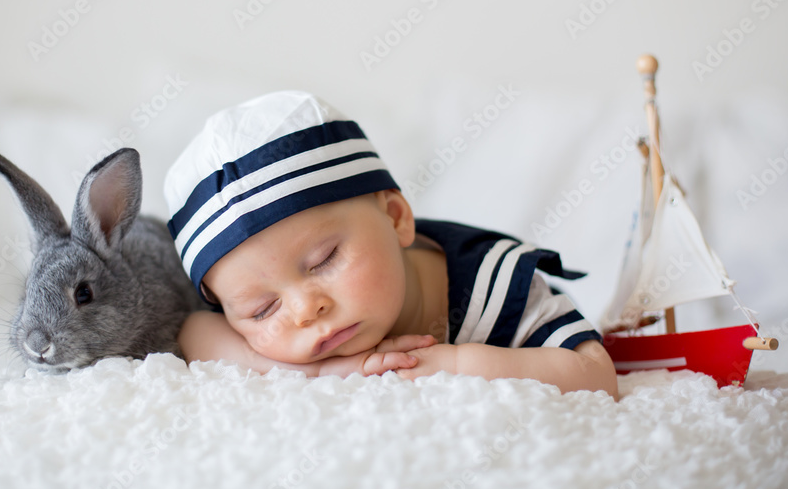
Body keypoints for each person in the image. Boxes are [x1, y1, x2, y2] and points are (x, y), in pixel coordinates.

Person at [165, 91, 617, 396]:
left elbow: (595, 373)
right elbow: (193, 332)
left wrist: (448, 364)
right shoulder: (243, 309)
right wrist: (326, 371)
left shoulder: (493, 283)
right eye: (262, 309)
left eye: (324, 260)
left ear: (396, 218)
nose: (305, 310)